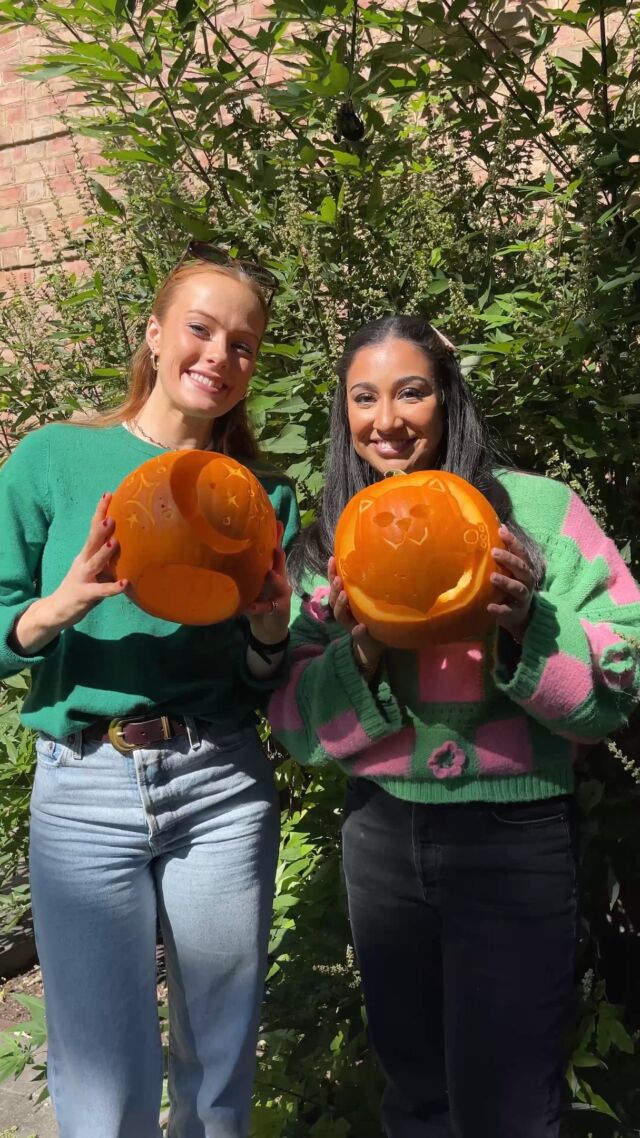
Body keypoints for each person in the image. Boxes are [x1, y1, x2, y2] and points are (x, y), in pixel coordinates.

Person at [269, 314, 640, 1138]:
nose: (387, 418)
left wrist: (526, 623)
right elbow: (294, 719)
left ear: (447, 398)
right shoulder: (332, 538)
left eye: (412, 391)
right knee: (416, 1089)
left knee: (509, 1102)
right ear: (343, 413)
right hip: (382, 835)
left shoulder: (538, 513)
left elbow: (624, 670)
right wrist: (361, 643)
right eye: (363, 397)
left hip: (516, 834)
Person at [0, 245, 298, 1138]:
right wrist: (52, 611)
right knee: (101, 1073)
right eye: (201, 330)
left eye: (243, 345)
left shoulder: (262, 497)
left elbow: (260, 680)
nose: (219, 355)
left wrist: (271, 635)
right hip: (83, 787)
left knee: (219, 1064)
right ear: (156, 334)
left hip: (219, 784)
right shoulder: (54, 459)